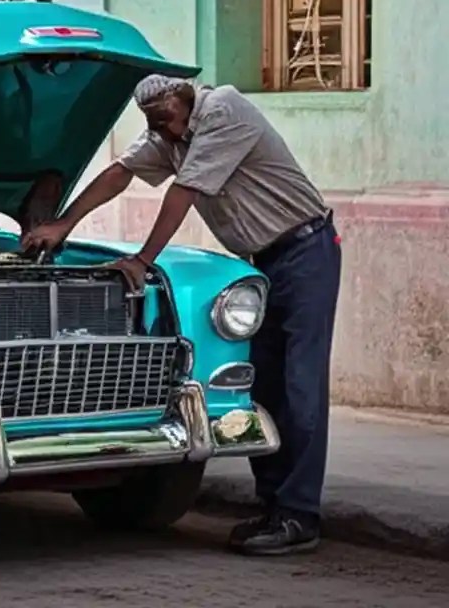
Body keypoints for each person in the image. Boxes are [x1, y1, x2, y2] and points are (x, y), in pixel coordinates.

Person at [22, 75, 342, 556]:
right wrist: (63, 225)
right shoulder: (170, 132)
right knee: (268, 384)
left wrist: (142, 260)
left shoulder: (223, 112)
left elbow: (184, 192)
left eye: (165, 120)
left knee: (301, 385)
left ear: (182, 99)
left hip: (306, 250)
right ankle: (274, 506)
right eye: (153, 125)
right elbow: (120, 172)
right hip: (263, 261)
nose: (162, 132)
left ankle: (300, 514)